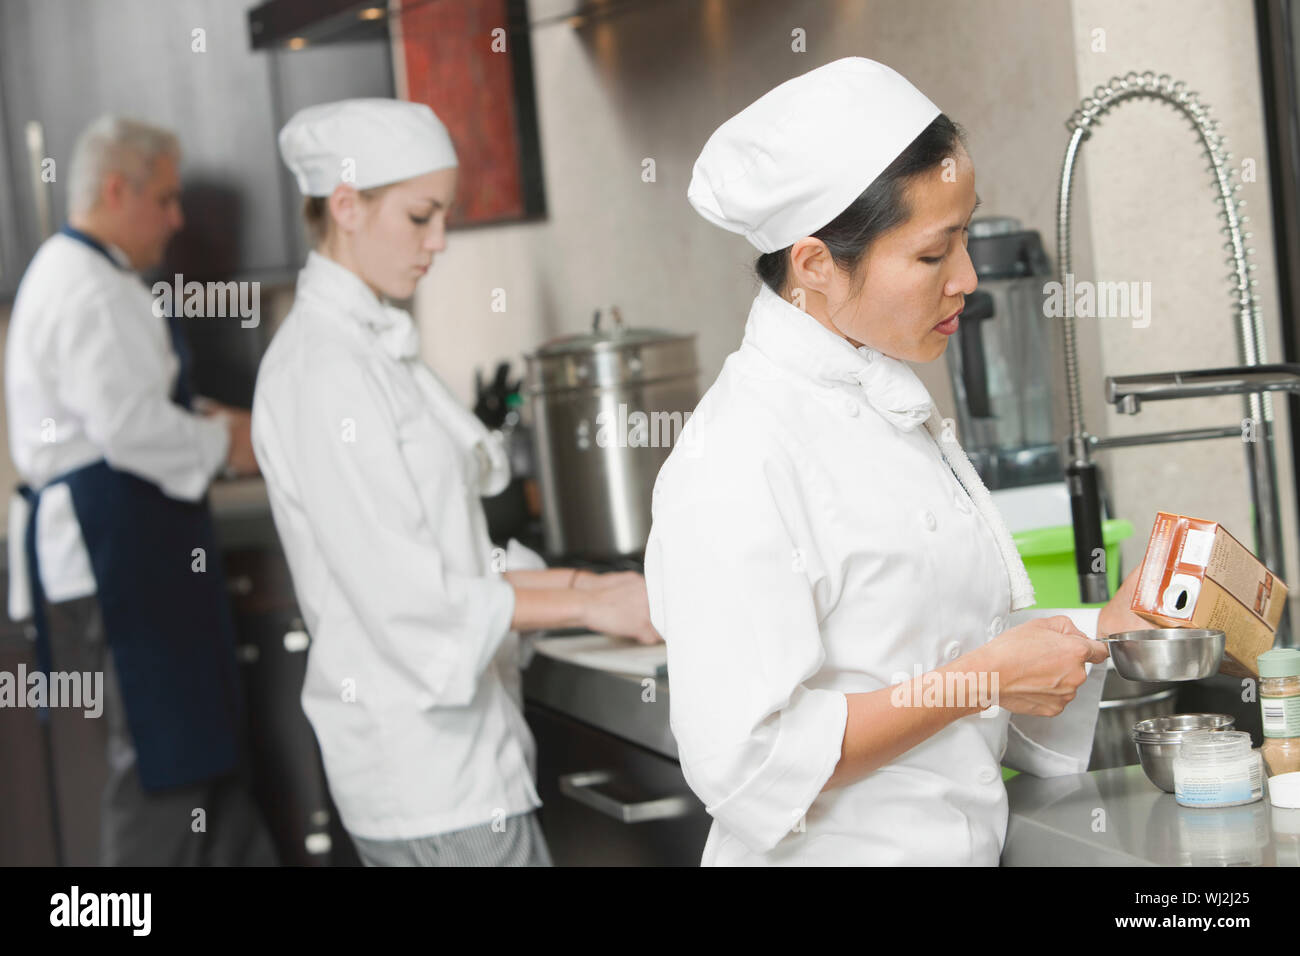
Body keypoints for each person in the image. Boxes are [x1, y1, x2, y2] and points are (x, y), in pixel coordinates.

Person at [644, 58, 1149, 866]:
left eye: (966, 236)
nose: (969, 279)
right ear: (813, 266)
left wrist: (1107, 630)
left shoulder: (885, 399)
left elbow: (930, 637)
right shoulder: (737, 456)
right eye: (931, 254)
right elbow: (747, 765)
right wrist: (980, 679)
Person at [254, 98, 658, 867]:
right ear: (346, 205)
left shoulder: (370, 349)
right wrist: (589, 599)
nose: (438, 241)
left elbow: (442, 559)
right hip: (431, 783)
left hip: (449, 776)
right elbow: (414, 606)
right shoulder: (327, 374)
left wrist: (588, 588)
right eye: (420, 216)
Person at [5, 116, 275, 865]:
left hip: (136, 545)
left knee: (204, 755)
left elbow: (127, 408)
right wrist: (228, 441)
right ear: (117, 189)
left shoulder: (99, 275)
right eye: (165, 199)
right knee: (166, 765)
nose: (177, 217)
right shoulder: (84, 286)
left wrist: (209, 420)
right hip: (115, 554)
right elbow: (128, 429)